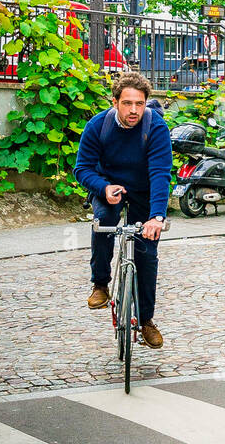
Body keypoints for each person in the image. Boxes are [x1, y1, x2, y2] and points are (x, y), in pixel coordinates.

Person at [74, 72, 172, 348]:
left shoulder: (155, 128)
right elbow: (82, 169)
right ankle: (100, 284)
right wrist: (103, 188)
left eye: (139, 104)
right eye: (127, 103)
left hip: (143, 191)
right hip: (109, 187)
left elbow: (161, 173)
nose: (133, 110)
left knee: (147, 252)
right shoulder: (98, 126)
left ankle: (146, 320)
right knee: (103, 220)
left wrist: (156, 217)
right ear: (115, 102)